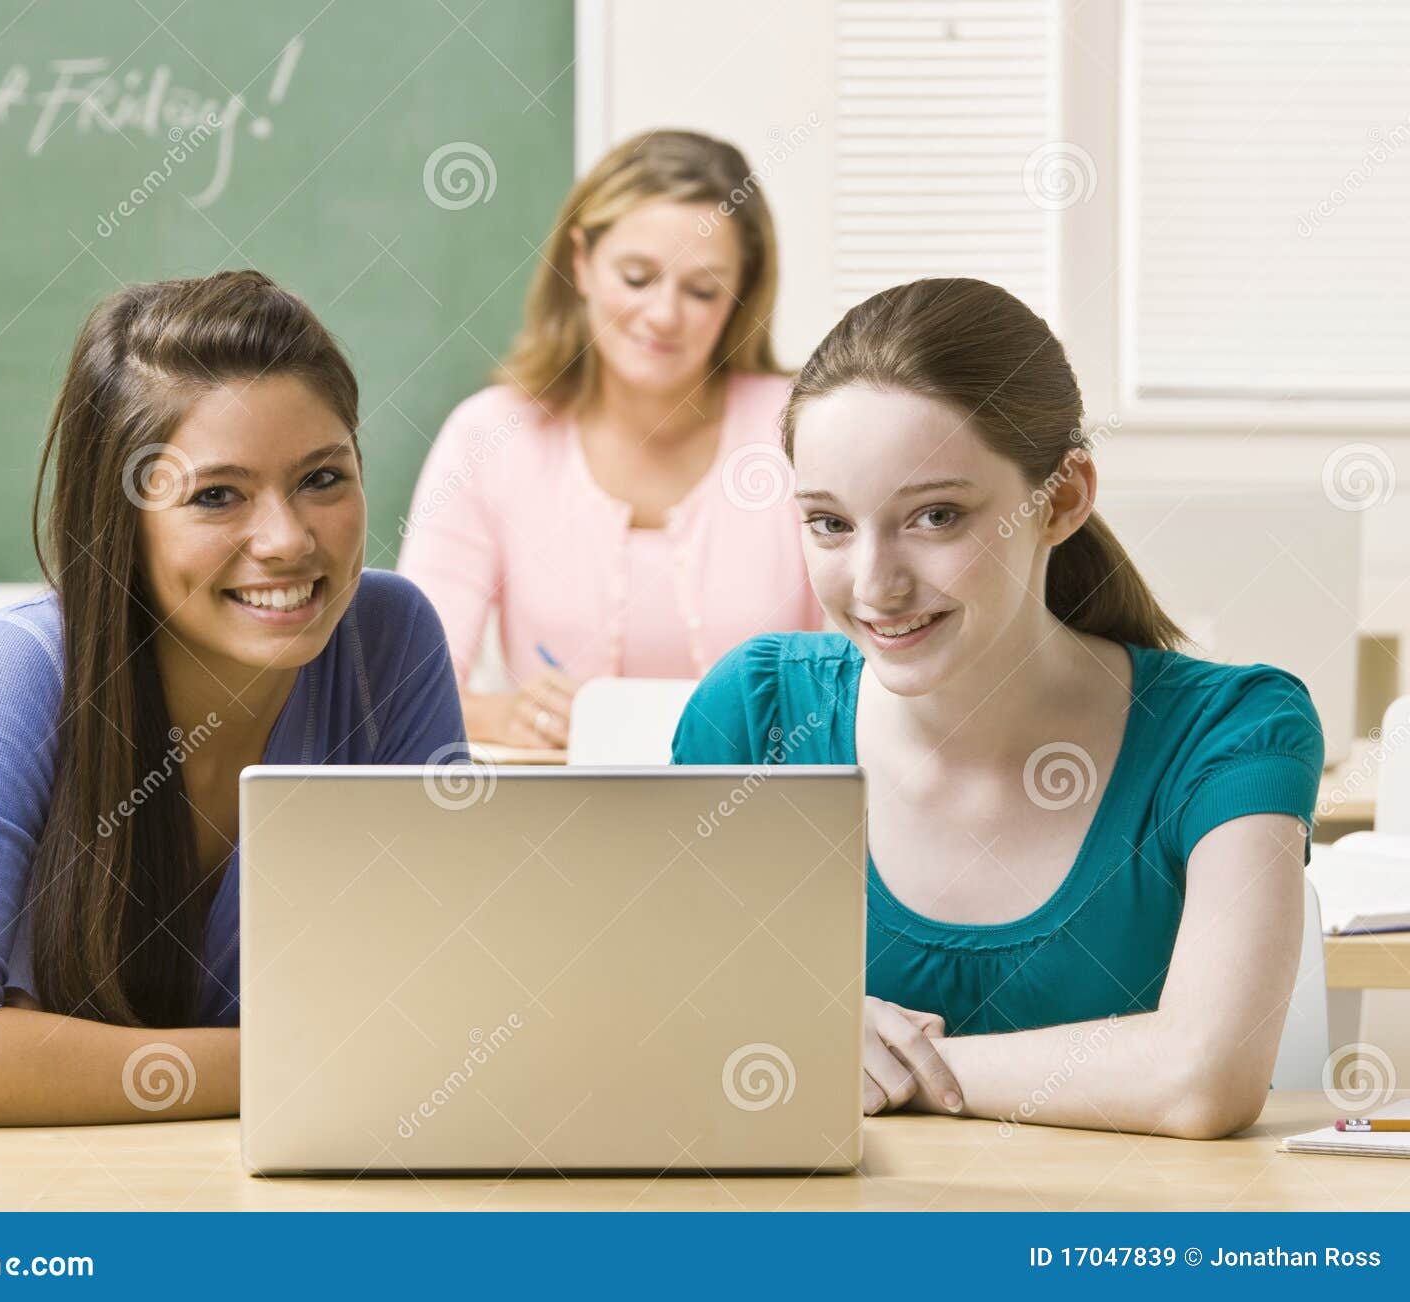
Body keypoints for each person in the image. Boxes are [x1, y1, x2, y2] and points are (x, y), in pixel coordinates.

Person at [671, 277, 1325, 1139]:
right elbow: (658, 1026)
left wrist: (843, 1049)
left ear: (1061, 499)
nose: (874, 584)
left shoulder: (1231, 732)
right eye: (829, 524)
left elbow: (1202, 1078)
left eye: (935, 516)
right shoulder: (755, 716)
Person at [0, 270, 465, 1127]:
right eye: (217, 496)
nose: (289, 540)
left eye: (323, 479)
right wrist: (310, 1058)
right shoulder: (28, 667)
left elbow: (446, 1012)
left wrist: (44, 1058)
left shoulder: (392, 637)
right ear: (122, 521)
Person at [398, 130, 821, 750]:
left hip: (771, 819)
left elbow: (877, 675)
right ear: (581, 262)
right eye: (637, 276)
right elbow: (404, 695)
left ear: (739, 294)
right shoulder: (491, 436)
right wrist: (505, 718)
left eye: (702, 290)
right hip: (559, 831)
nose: (664, 315)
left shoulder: (802, 428)